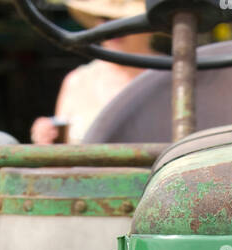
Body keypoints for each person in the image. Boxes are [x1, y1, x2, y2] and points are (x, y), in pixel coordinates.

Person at [31, 0, 155, 143]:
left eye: (123, 20)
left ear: (148, 24)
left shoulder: (171, 75)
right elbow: (62, 149)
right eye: (105, 18)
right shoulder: (77, 80)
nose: (113, 27)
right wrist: (47, 139)